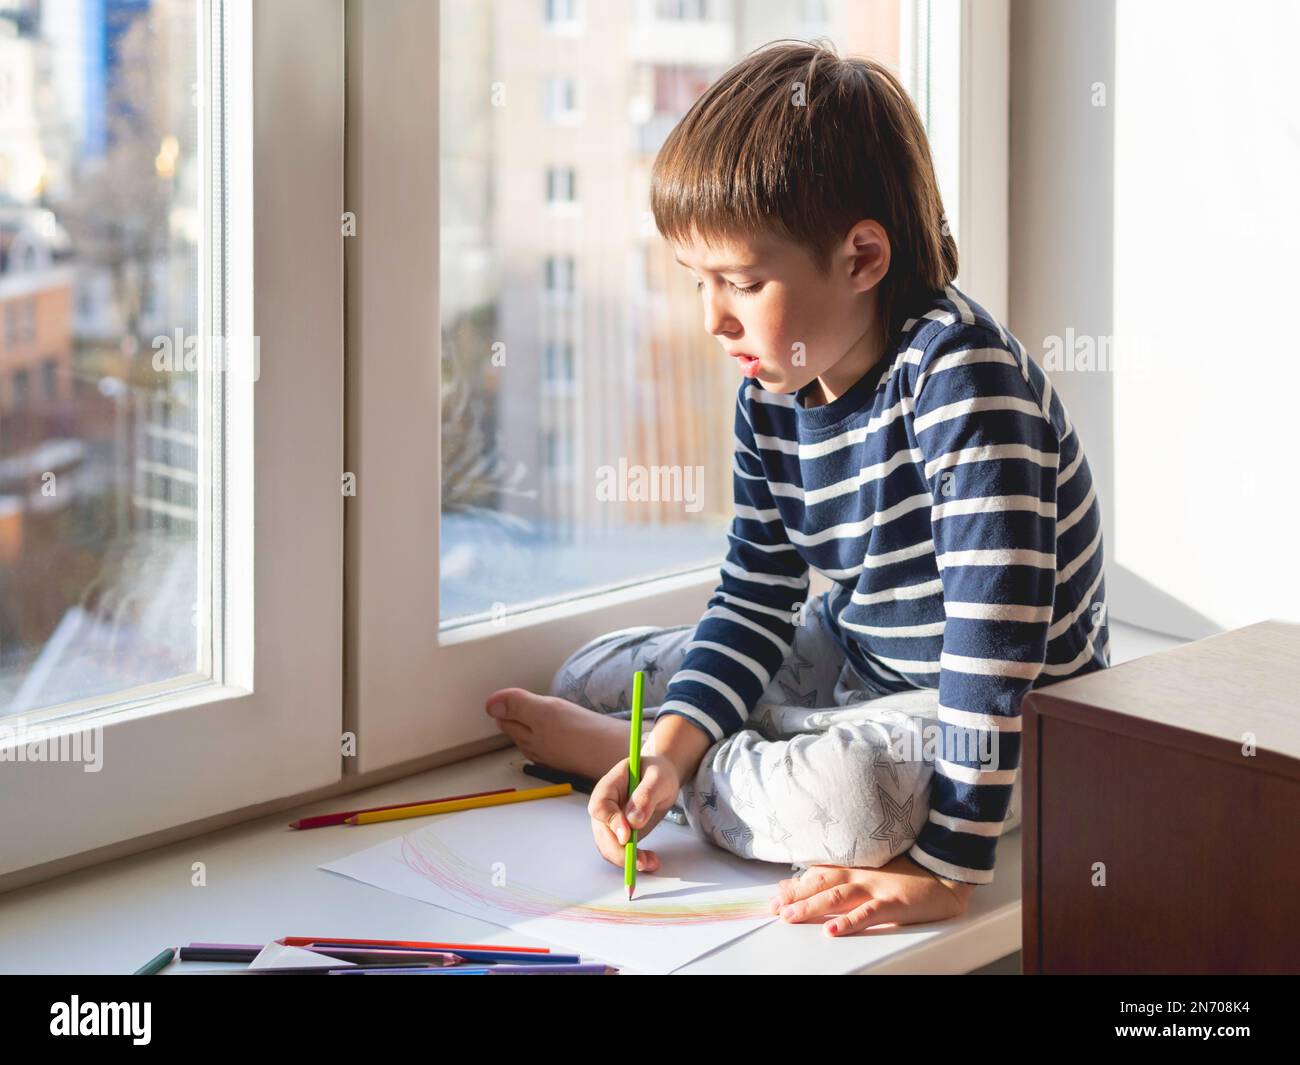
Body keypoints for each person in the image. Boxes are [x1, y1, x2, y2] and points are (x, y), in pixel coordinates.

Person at [485, 39, 1109, 936]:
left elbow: (993, 645)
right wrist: (666, 741)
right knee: (586, 679)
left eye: (740, 281)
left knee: (853, 805)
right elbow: (755, 595)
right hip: (865, 657)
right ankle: (697, 743)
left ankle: (717, 755)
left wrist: (946, 865)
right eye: (697, 281)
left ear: (861, 259)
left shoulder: (961, 382)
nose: (712, 317)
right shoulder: (772, 392)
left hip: (1006, 713)